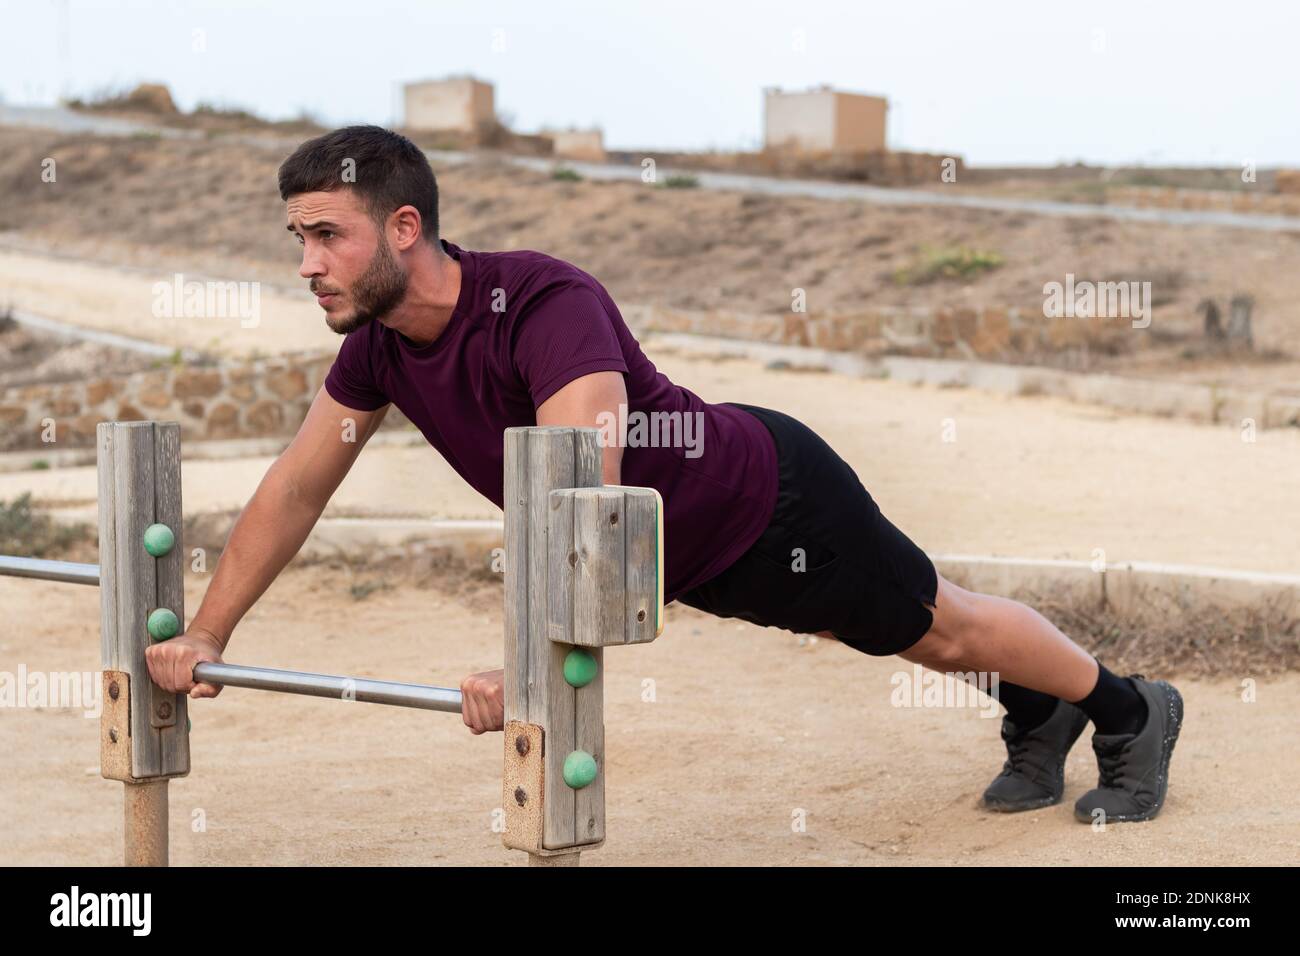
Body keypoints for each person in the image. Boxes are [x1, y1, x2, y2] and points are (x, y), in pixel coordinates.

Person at [145, 126, 1182, 824]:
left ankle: (1130, 708)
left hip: (771, 498)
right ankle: (1039, 709)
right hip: (682, 559)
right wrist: (208, 631)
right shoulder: (376, 347)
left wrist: (530, 656)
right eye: (298, 237)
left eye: (327, 234)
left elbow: (584, 482)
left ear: (403, 228)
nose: (306, 261)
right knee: (879, 630)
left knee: (933, 621)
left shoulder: (543, 300)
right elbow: (296, 487)